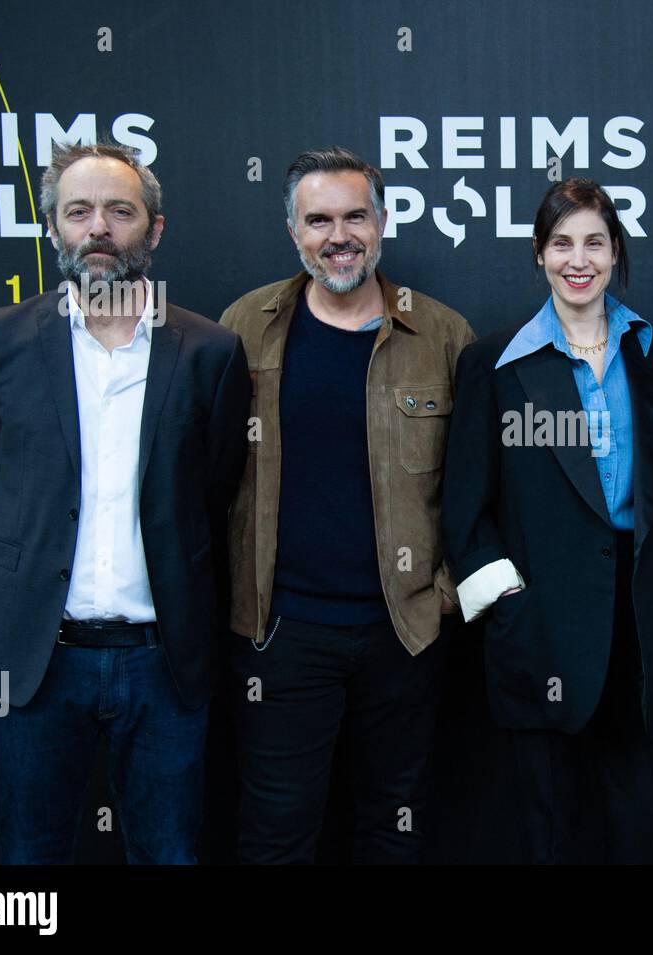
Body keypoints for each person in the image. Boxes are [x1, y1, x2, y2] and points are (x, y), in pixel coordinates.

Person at [0, 140, 252, 863]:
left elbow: (213, 492)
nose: (99, 228)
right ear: (52, 227)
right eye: (78, 211)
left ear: (155, 227)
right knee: (29, 855)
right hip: (38, 663)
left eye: (120, 210)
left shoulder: (210, 351)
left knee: (169, 853)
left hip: (163, 662)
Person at [219, 146, 475, 864]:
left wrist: (442, 599)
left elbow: (481, 486)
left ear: (383, 221)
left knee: (394, 834)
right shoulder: (245, 326)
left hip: (405, 633)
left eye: (355, 215)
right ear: (294, 233)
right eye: (319, 219)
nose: (339, 235)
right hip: (281, 633)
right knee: (276, 837)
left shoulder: (442, 335)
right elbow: (203, 476)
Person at [442, 178, 653, 864]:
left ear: (615, 250)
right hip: (540, 626)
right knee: (548, 833)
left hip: (645, 624)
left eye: (594, 241)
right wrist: (508, 601)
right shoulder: (495, 366)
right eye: (562, 243)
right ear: (539, 253)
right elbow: (465, 506)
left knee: (638, 830)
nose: (577, 258)